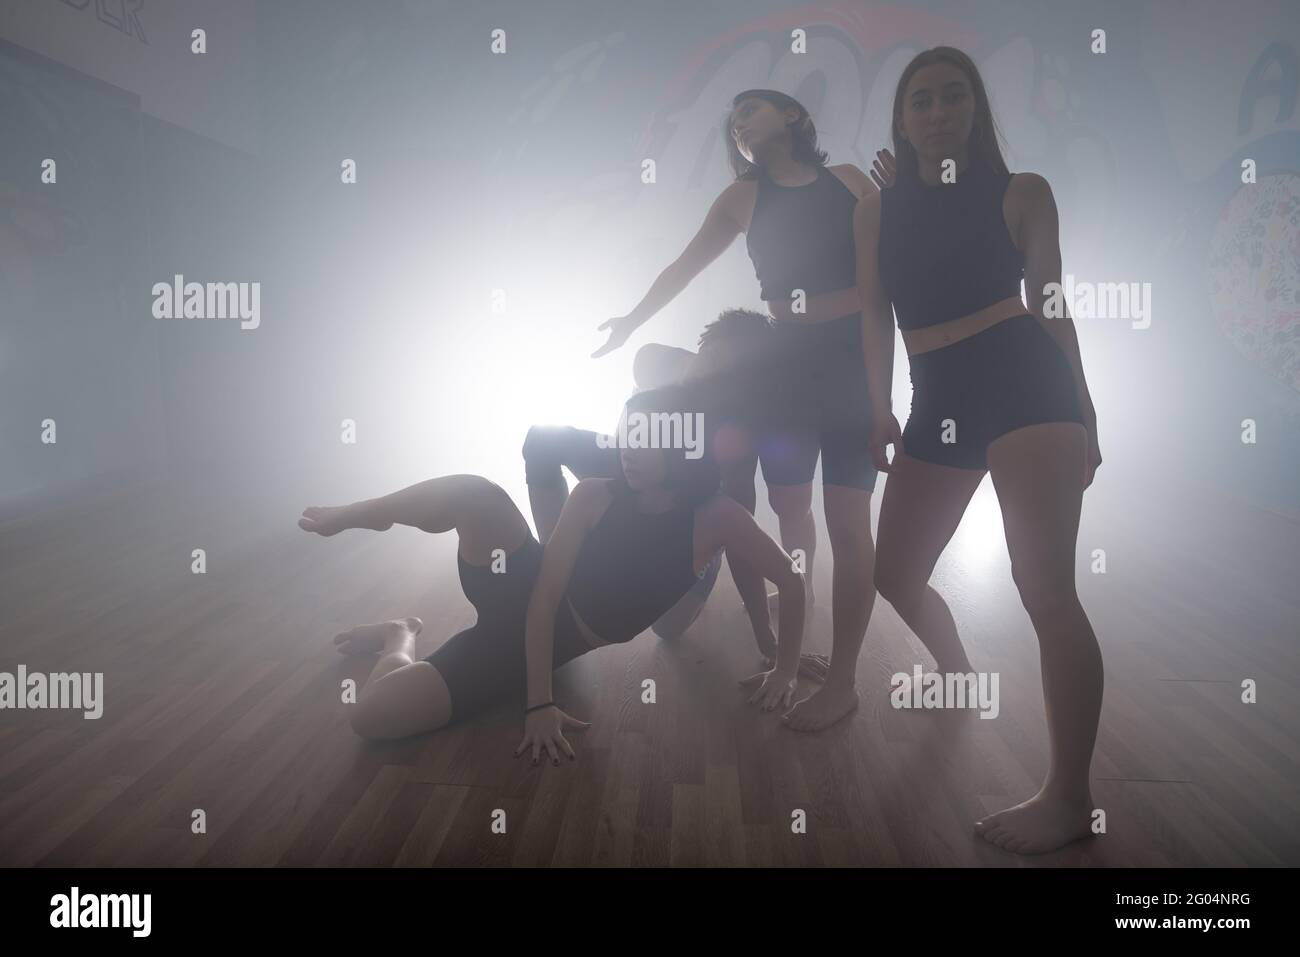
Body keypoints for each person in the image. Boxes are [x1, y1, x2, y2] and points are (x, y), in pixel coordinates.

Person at [855, 46, 1103, 853]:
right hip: (936, 393)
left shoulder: (1023, 192)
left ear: (975, 107)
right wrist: (877, 405)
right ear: (902, 116)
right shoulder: (877, 207)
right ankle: (958, 669)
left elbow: (1051, 298)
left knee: (1047, 592)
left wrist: (1086, 405)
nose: (936, 112)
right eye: (920, 100)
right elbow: (871, 312)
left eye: (952, 97)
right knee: (892, 572)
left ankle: (1069, 797)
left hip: (1025, 380)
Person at [591, 89, 898, 731]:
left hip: (848, 361)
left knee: (849, 527)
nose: (740, 124)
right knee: (793, 518)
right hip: (783, 368)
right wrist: (629, 320)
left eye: (751, 110)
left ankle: (840, 684)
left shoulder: (847, 182)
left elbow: (887, 289)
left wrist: (881, 401)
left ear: (792, 117)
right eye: (733, 123)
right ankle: (787, 658)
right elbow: (683, 266)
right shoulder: (740, 199)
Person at [297, 386, 808, 763]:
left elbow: (790, 579)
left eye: (641, 437)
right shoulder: (595, 494)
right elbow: (543, 598)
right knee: (476, 493)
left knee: (369, 719)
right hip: (521, 590)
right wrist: (539, 703)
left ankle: (398, 636)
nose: (625, 447)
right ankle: (364, 512)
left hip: (519, 640)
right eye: (624, 432)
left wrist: (784, 667)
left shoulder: (716, 516)